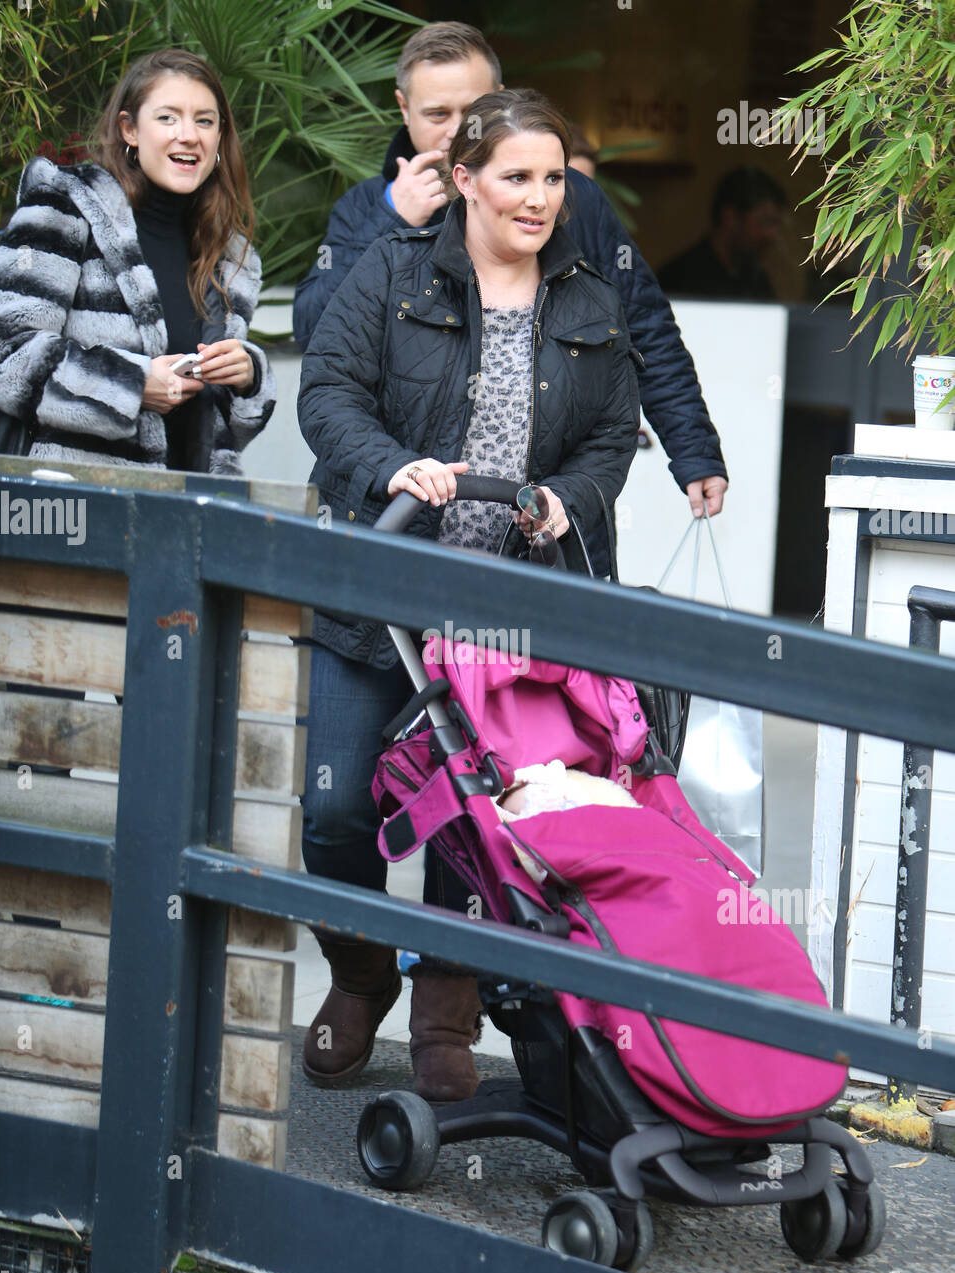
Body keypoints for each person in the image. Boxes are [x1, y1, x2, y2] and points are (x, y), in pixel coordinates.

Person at [297, 89, 642, 1103]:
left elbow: (609, 439)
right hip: (381, 596)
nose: (539, 198)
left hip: (510, 615)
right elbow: (327, 392)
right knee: (333, 812)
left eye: (552, 178)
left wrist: (559, 501)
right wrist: (395, 466)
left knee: (476, 823)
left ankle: (445, 999)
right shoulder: (396, 269)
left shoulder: (587, 299)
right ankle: (363, 970)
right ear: (464, 180)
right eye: (516, 177)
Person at [293, 21, 727, 525]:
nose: (460, 130)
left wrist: (692, 445)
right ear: (403, 109)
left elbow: (642, 324)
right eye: (438, 113)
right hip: (395, 527)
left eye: (474, 110)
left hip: (534, 538)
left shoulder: (570, 202)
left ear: (499, 99)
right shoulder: (371, 209)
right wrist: (391, 218)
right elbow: (319, 343)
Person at [0, 49, 275, 473]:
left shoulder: (229, 256)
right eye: (167, 118)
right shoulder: (64, 210)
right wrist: (132, 384)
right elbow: (7, 354)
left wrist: (247, 374)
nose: (188, 135)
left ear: (220, 136)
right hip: (78, 511)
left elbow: (219, 433)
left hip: (191, 518)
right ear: (130, 129)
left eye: (205, 120)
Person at [657, 167, 785, 303]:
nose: (772, 236)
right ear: (730, 218)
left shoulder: (757, 282)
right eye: (765, 222)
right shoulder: (679, 281)